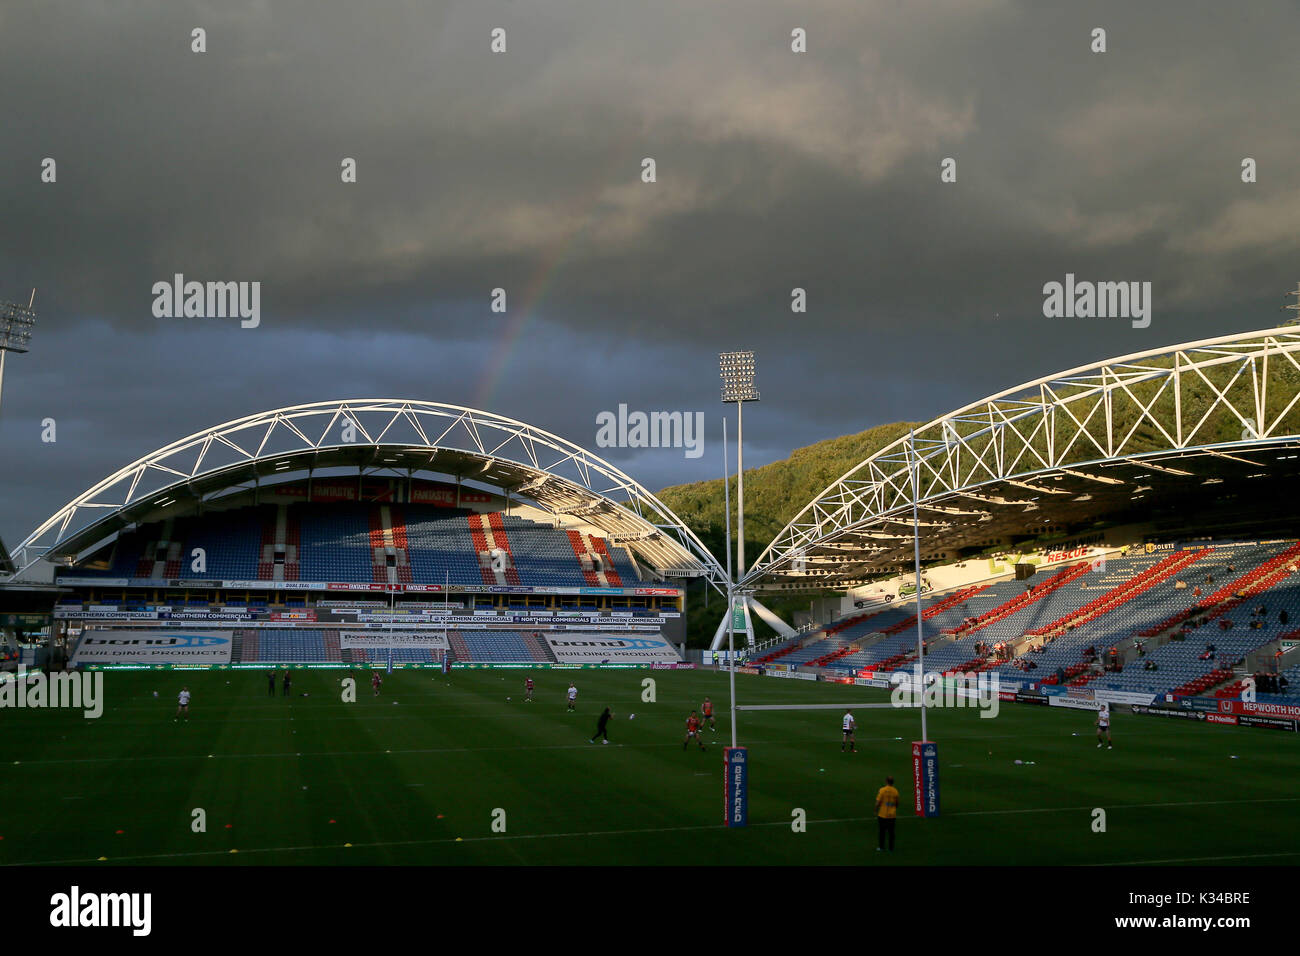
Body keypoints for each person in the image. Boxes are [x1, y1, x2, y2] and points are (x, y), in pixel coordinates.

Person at [875, 775, 899, 852]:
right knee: (891, 833)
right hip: (892, 815)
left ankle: (881, 847)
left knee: (882, 832)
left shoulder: (882, 790)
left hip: (882, 815)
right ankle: (891, 848)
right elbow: (897, 803)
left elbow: (878, 802)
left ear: (886, 781)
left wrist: (875, 809)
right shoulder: (895, 791)